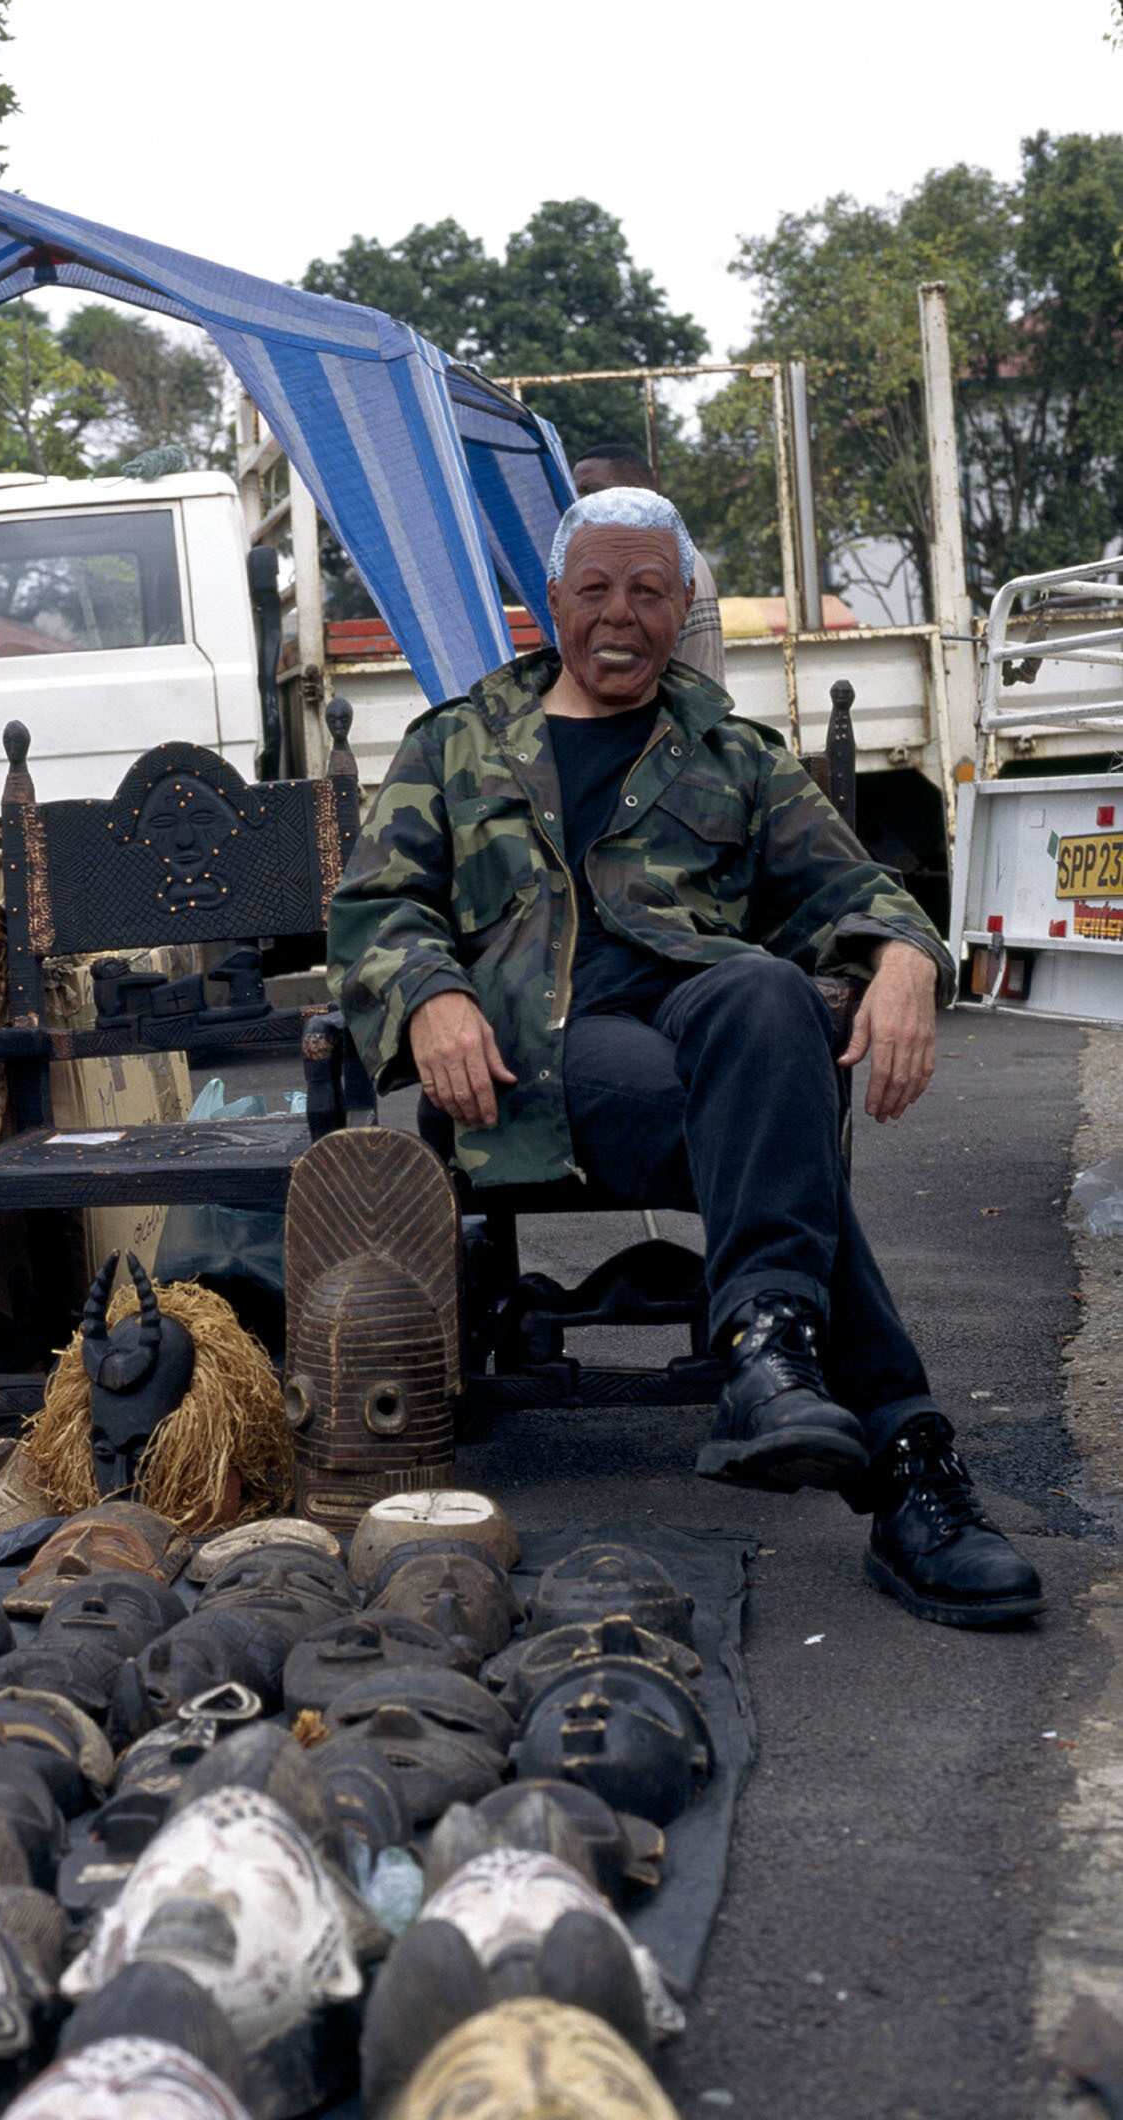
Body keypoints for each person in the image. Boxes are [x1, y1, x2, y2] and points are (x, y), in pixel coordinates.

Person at [328, 486, 1041, 1630]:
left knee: (765, 990)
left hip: (706, 1028)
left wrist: (908, 957)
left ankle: (772, 1352)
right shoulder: (457, 743)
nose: (622, 615)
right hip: (544, 1060)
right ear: (551, 602)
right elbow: (373, 907)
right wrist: (430, 994)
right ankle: (904, 1453)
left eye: (649, 591)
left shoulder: (731, 753)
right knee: (778, 1123)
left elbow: (857, 892)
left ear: (684, 602)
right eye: (597, 590)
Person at [572, 442, 725, 689]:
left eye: (589, 491)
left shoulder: (663, 565)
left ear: (638, 491)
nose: (577, 503)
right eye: (576, 492)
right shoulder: (681, 554)